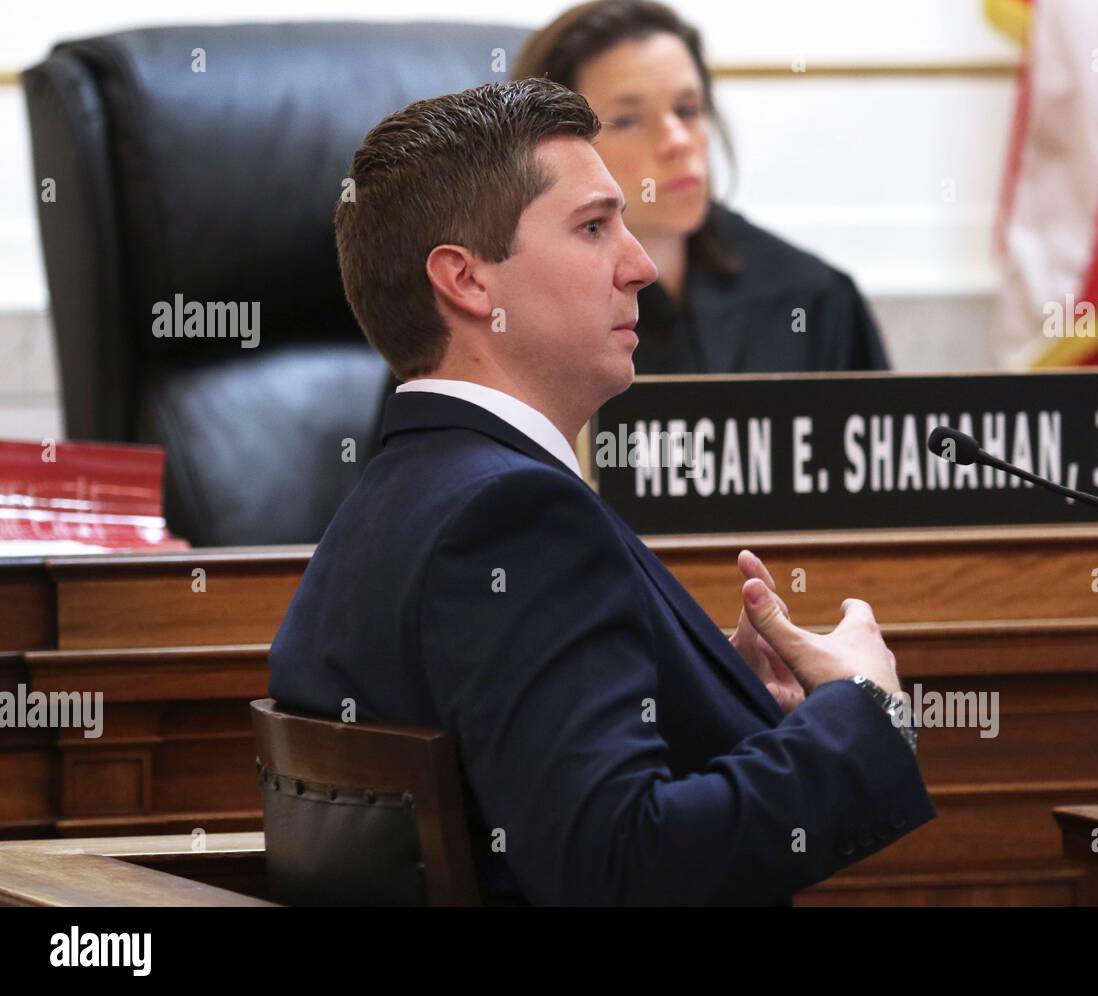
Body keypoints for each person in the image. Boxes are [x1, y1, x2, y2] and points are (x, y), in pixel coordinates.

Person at [268, 78, 933, 906]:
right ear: (467, 281)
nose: (642, 265)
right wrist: (861, 711)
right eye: (593, 227)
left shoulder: (396, 497)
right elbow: (617, 867)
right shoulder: (513, 518)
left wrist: (706, 698)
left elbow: (522, 794)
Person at [512, 0, 891, 374]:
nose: (677, 139)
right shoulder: (520, 315)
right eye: (628, 120)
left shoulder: (812, 298)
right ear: (553, 145)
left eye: (687, 110)